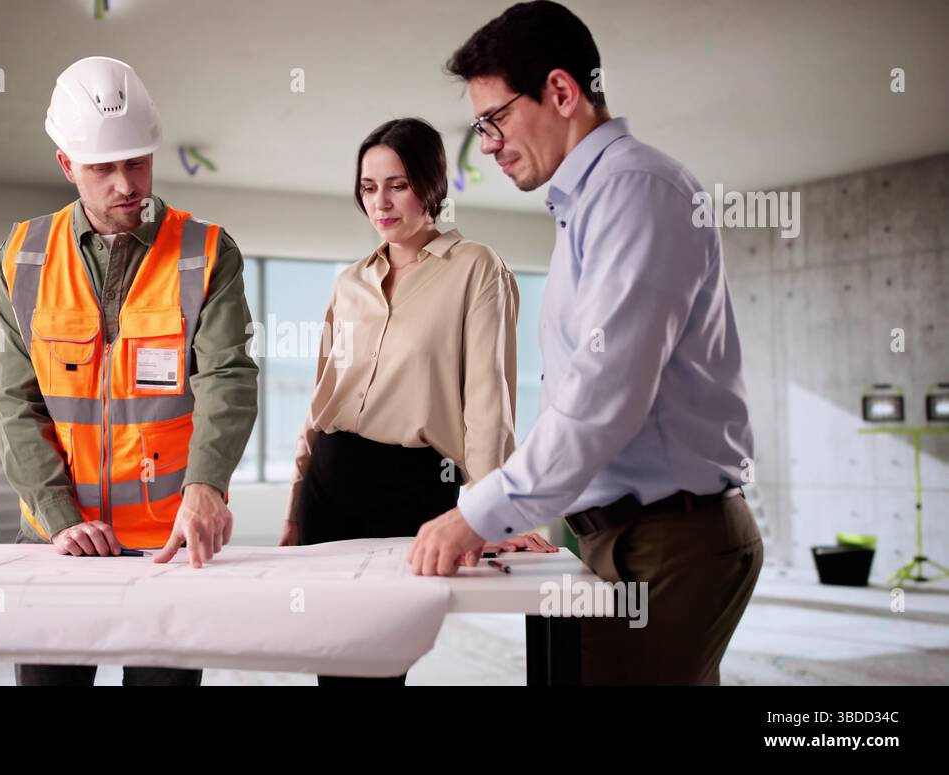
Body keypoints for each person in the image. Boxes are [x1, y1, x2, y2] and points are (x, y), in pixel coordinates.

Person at [409, 1, 762, 686]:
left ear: (562, 92)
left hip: (667, 542)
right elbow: (578, 394)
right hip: (628, 534)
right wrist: (526, 508)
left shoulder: (636, 190)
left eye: (495, 119)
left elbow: (603, 397)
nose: (485, 144)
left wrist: (475, 514)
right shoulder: (592, 202)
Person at [0, 56, 258, 686]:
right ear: (66, 166)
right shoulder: (23, 255)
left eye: (137, 161)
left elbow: (227, 378)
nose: (124, 184)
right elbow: (14, 401)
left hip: (170, 542)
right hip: (60, 543)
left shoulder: (207, 252)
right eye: (102, 168)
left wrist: (207, 487)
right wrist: (60, 519)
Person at [282, 117, 554, 685]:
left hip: (411, 487)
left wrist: (490, 510)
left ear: (430, 185)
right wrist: (292, 508)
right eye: (367, 187)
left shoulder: (477, 268)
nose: (380, 202)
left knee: (381, 667)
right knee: (330, 662)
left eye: (397, 184)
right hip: (328, 484)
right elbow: (320, 402)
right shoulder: (350, 282)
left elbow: (488, 400)